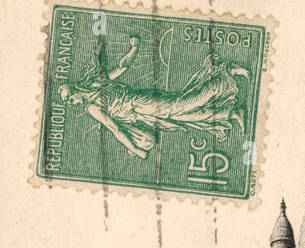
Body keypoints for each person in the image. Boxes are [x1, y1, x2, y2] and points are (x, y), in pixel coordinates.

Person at [58, 36, 248, 160]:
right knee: (185, 118)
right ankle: (231, 113)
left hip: (140, 103)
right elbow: (115, 128)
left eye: (70, 98)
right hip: (141, 117)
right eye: (69, 102)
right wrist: (135, 147)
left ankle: (225, 72)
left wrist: (134, 48)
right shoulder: (91, 107)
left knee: (181, 106)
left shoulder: (95, 86)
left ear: (75, 90)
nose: (72, 103)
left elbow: (122, 68)